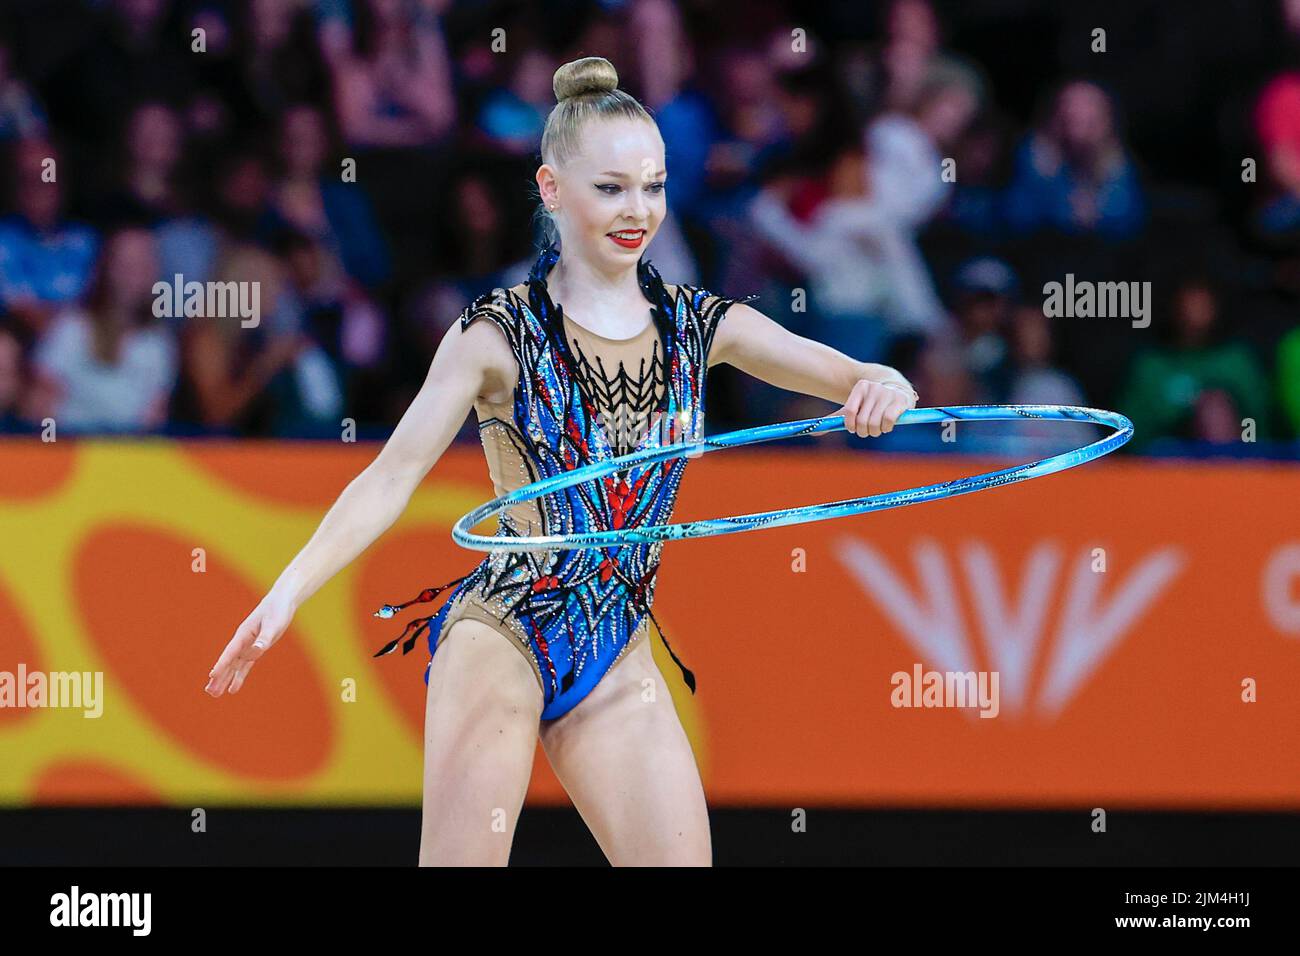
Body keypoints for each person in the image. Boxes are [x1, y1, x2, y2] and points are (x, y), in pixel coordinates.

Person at [205, 57, 919, 866]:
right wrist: (286, 593)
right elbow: (390, 477)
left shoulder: (700, 324)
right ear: (551, 189)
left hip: (618, 649)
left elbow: (849, 372)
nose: (638, 210)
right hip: (502, 636)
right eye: (611, 188)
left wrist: (880, 386)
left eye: (653, 186)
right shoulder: (496, 335)